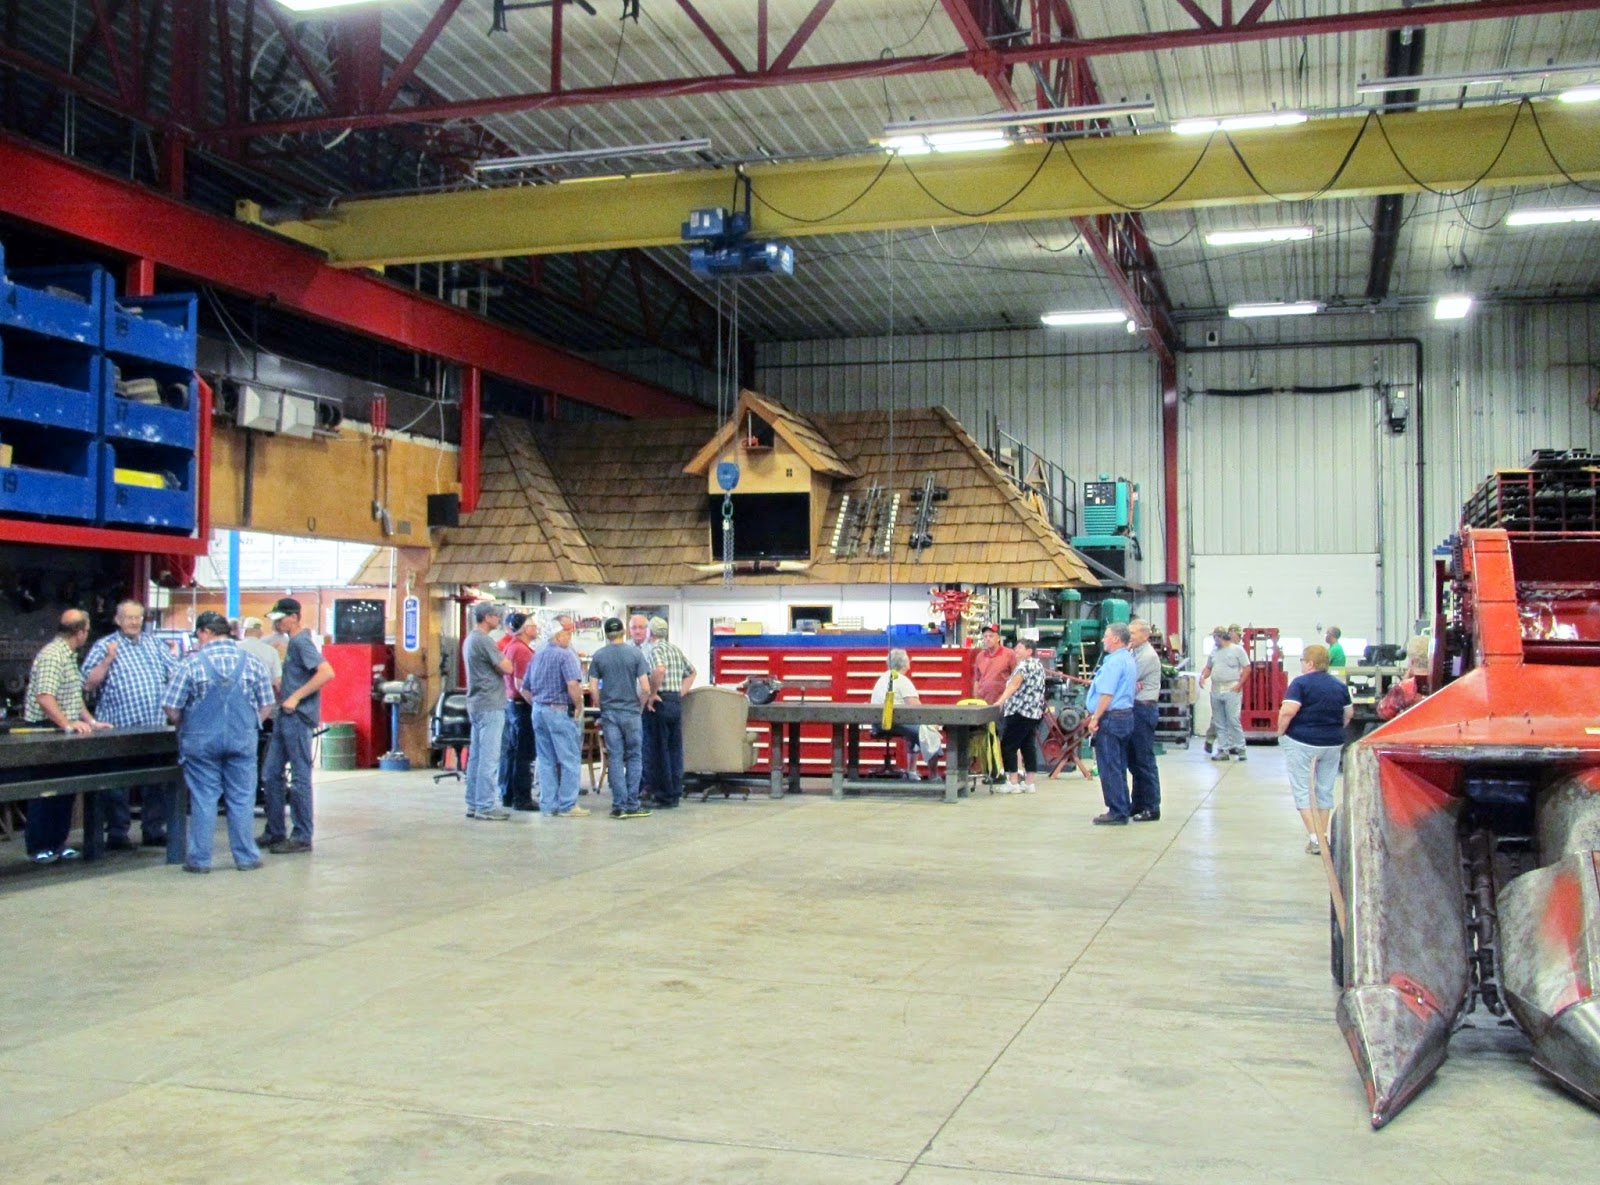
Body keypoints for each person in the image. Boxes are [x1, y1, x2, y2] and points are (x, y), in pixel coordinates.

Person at [161, 611, 275, 873]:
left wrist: (186, 724)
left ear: (204, 632)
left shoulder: (190, 664)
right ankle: (246, 857)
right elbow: (267, 703)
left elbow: (171, 706)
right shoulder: (252, 662)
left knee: (203, 799)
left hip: (201, 743)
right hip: (242, 741)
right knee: (242, 799)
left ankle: (200, 860)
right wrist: (250, 723)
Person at [81, 599, 177, 849]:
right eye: (129, 617)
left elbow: (176, 672)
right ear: (117, 620)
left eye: (138, 617)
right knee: (116, 785)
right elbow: (88, 684)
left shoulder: (154, 643)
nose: (134, 622)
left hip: (153, 727)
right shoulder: (105, 646)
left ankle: (153, 830)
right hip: (118, 730)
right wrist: (107, 660)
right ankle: (117, 833)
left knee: (155, 782)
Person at [22, 610, 110, 863]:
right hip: (45, 731)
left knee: (64, 791)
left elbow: (73, 696)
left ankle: (57, 843)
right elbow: (45, 696)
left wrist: (90, 721)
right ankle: (39, 846)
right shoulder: (52, 655)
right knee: (44, 791)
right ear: (81, 631)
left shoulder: (69, 656)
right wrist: (66, 723)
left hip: (64, 732)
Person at [260, 597, 336, 853]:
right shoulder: (291, 644)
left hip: (297, 718)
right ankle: (275, 831)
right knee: (271, 775)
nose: (277, 623)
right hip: (284, 716)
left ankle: (302, 836)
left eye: (280, 618)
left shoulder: (302, 641)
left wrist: (296, 696)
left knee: (300, 778)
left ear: (293, 617)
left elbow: (326, 672)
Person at [1277, 642, 1353, 855]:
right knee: (1324, 789)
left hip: (1302, 742)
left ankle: (1315, 838)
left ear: (1310, 663)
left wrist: (1281, 732)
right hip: (1333, 743)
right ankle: (1322, 835)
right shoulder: (1340, 686)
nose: (1301, 664)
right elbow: (1348, 714)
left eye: (1302, 660)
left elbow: (1288, 711)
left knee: (1302, 789)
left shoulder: (1300, 684)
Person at [588, 617, 654, 818]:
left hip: (610, 713)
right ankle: (633, 804)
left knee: (615, 757)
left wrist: (601, 704)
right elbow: (645, 687)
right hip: (632, 712)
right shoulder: (635, 654)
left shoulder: (599, 656)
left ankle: (619, 806)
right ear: (624, 632)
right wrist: (640, 706)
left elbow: (592, 688)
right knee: (634, 756)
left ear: (606, 633)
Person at [523, 615, 588, 817]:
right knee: (569, 759)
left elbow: (524, 688)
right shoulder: (565, 655)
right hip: (559, 710)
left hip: (538, 711)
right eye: (567, 633)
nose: (570, 637)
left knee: (546, 759)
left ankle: (548, 804)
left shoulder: (537, 655)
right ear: (558, 636)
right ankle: (568, 805)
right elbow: (572, 684)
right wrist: (578, 705)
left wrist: (539, 704)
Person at [461, 602, 513, 822]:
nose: (499, 620)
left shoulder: (470, 639)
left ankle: (474, 802)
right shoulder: (484, 640)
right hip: (491, 703)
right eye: (497, 616)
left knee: (477, 757)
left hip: (476, 702)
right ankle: (486, 805)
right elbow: (507, 667)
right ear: (488, 617)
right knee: (490, 758)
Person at [1085, 622, 1138, 825]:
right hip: (1125, 716)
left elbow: (1107, 694)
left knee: (1109, 765)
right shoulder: (1127, 659)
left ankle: (1117, 810)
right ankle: (1122, 805)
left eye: (1106, 636)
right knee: (1118, 763)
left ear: (1115, 638)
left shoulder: (1114, 663)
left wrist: (1095, 718)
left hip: (1111, 718)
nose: (1103, 640)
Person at [645, 617, 695, 808]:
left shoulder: (656, 649)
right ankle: (675, 791)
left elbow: (659, 670)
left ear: (651, 633)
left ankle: (663, 795)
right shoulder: (675, 649)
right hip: (674, 701)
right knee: (674, 749)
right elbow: (692, 672)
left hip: (661, 702)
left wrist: (653, 694)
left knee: (659, 750)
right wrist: (680, 692)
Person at [497, 612, 540, 811]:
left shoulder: (511, 647)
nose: (537, 628)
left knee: (512, 752)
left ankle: (508, 794)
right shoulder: (521, 651)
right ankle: (522, 798)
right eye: (533, 625)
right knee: (524, 754)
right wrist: (536, 705)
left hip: (512, 705)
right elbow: (521, 684)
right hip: (522, 706)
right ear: (524, 629)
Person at [996, 636, 1046, 793]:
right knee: (1027, 745)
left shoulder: (1024, 665)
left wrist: (1000, 701)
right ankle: (1029, 783)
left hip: (1019, 711)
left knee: (1008, 745)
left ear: (1029, 651)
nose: (1016, 651)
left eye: (1019, 648)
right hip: (1033, 713)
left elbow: (1014, 685)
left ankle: (1013, 782)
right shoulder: (1038, 665)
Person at [868, 648, 925, 781]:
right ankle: (932, 774)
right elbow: (917, 707)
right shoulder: (902, 680)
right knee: (925, 731)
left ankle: (912, 771)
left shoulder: (882, 679)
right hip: (894, 723)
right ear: (905, 663)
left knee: (915, 730)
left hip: (877, 724)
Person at [1126, 618, 1163, 822]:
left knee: (1144, 760)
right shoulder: (1134, 652)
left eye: (1133, 633)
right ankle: (1138, 803)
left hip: (1143, 709)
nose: (1129, 636)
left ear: (1145, 635)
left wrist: (1131, 682)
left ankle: (1151, 806)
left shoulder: (1147, 655)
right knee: (1133, 761)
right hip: (1134, 708)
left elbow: (1127, 677)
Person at [1200, 625, 1249, 762]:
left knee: (1233, 720)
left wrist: (1239, 685)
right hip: (1216, 689)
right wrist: (1203, 676)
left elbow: (1247, 668)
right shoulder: (1214, 651)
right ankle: (1223, 749)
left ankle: (1241, 749)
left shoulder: (1237, 650)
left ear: (1218, 636)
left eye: (1214, 637)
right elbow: (1209, 667)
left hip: (1231, 688)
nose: (1214, 640)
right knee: (1219, 722)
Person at [628, 614, 659, 801]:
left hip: (647, 705)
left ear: (648, 629)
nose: (638, 631)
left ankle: (647, 785)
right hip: (628, 705)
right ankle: (632, 785)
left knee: (646, 746)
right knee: (630, 748)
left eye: (641, 627)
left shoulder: (654, 649)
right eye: (634, 627)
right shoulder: (623, 649)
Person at [972, 623, 1019, 705]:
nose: (988, 639)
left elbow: (1016, 679)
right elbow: (977, 680)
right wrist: (976, 700)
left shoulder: (1009, 654)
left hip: (1002, 702)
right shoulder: (980, 656)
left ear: (998, 638)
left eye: (991, 636)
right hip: (983, 703)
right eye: (985, 636)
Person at [238, 616, 283, 693]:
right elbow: (277, 680)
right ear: (261, 633)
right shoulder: (271, 651)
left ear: (244, 632)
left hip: (238, 694)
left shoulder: (233, 647)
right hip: (264, 694)